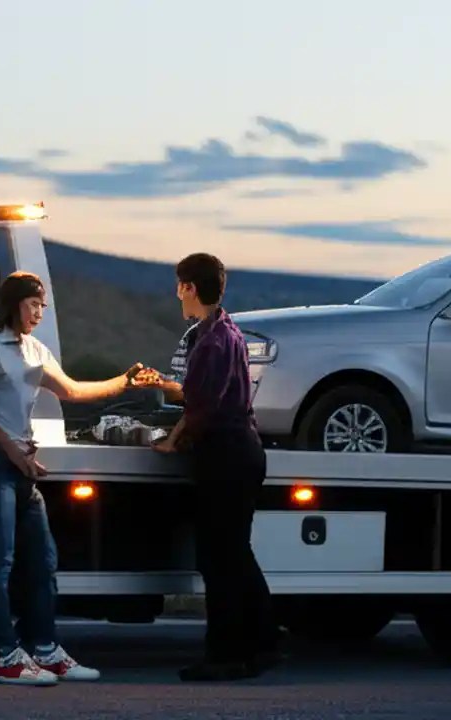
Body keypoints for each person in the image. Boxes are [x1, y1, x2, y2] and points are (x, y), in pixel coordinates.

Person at [0, 270, 147, 686]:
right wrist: (11, 450)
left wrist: (123, 382)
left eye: (42, 305)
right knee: (0, 562)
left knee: (43, 562)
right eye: (33, 305)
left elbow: (72, 391)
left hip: (23, 467)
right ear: (13, 304)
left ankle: (44, 649)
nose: (39, 313)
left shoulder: (35, 351)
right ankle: (8, 656)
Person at [150, 252, 281, 682]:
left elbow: (202, 407)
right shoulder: (224, 332)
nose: (176, 293)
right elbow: (201, 393)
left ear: (189, 286)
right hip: (241, 450)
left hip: (224, 454)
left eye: (178, 284)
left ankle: (225, 657)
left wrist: (170, 442)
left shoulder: (211, 340)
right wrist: (165, 386)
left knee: (218, 560)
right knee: (237, 554)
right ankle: (261, 646)